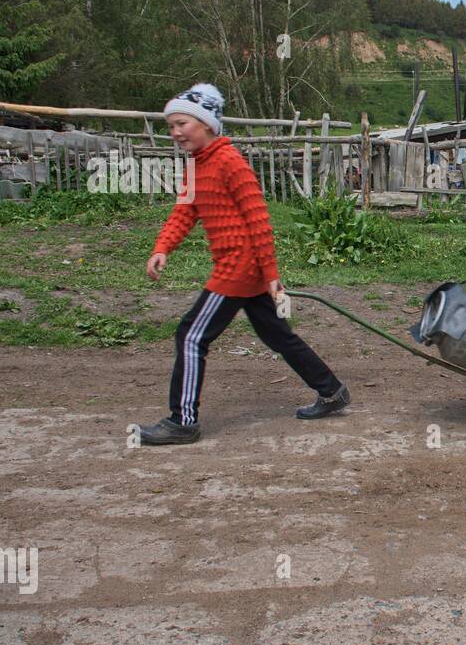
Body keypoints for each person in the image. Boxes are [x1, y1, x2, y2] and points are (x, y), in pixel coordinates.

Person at [137, 84, 350, 446]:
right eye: (170, 125)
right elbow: (184, 212)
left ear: (206, 124)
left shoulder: (230, 162)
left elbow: (259, 222)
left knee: (190, 336)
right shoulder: (195, 167)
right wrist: (163, 248)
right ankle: (331, 391)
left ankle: (182, 421)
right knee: (278, 335)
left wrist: (271, 276)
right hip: (238, 268)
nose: (174, 132)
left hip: (239, 268)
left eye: (181, 123)